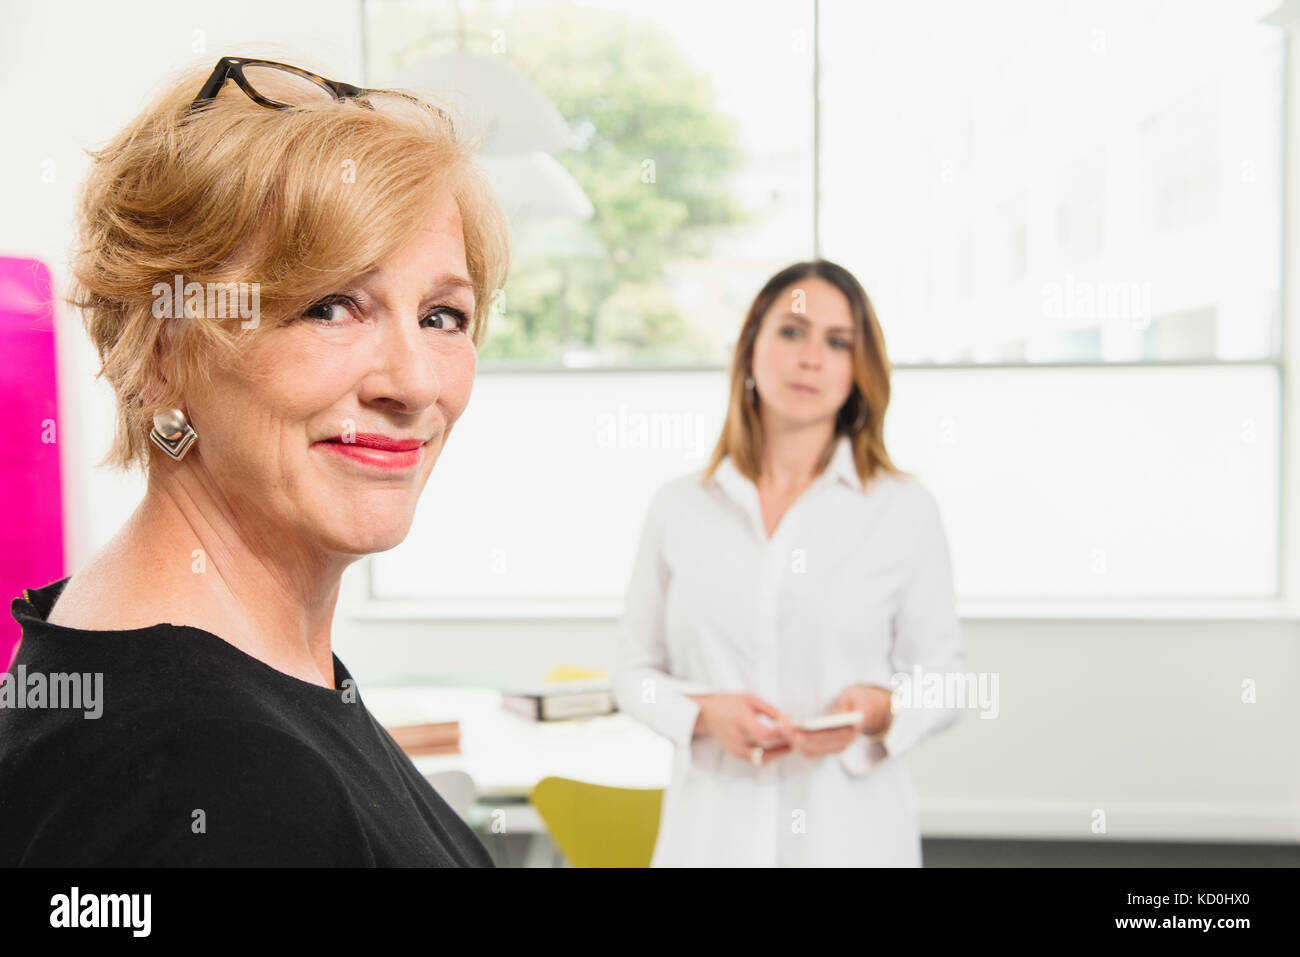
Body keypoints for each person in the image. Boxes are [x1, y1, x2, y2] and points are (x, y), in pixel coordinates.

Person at [0, 56, 510, 866]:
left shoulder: (209, 672)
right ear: (158, 352)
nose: (415, 382)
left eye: (443, 315)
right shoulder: (207, 774)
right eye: (331, 306)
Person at [612, 260, 965, 866]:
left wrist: (881, 709)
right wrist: (703, 715)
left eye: (837, 342)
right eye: (792, 332)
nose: (811, 358)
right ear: (751, 346)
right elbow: (632, 674)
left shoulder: (903, 509)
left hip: (850, 838)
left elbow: (948, 681)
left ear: (859, 370)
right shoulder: (679, 508)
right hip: (713, 838)